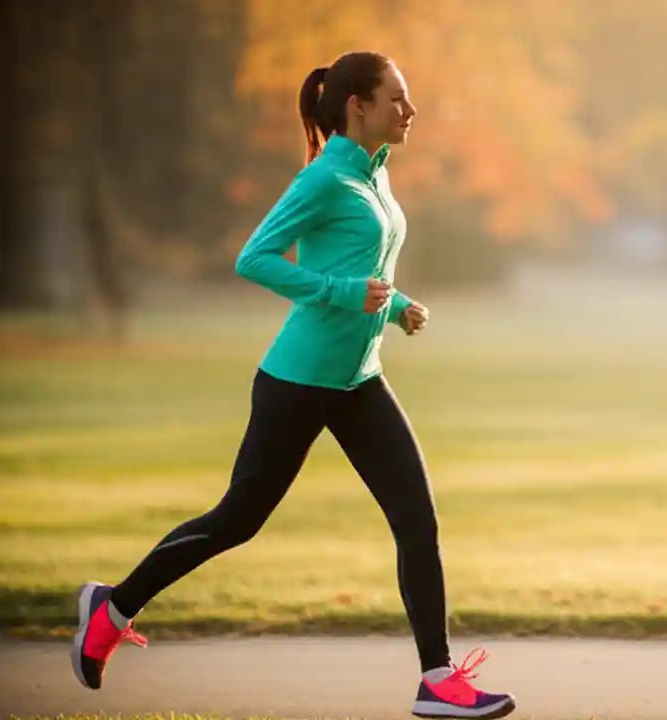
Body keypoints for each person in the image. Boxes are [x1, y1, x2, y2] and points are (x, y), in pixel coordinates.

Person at [70, 51, 516, 720]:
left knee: (416, 520)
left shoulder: (375, 176)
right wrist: (344, 293)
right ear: (357, 107)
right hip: (298, 381)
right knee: (236, 521)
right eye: (396, 98)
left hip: (359, 379)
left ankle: (437, 678)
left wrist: (396, 307)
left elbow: (360, 267)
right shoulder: (325, 180)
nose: (410, 110)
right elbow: (255, 259)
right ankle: (111, 606)